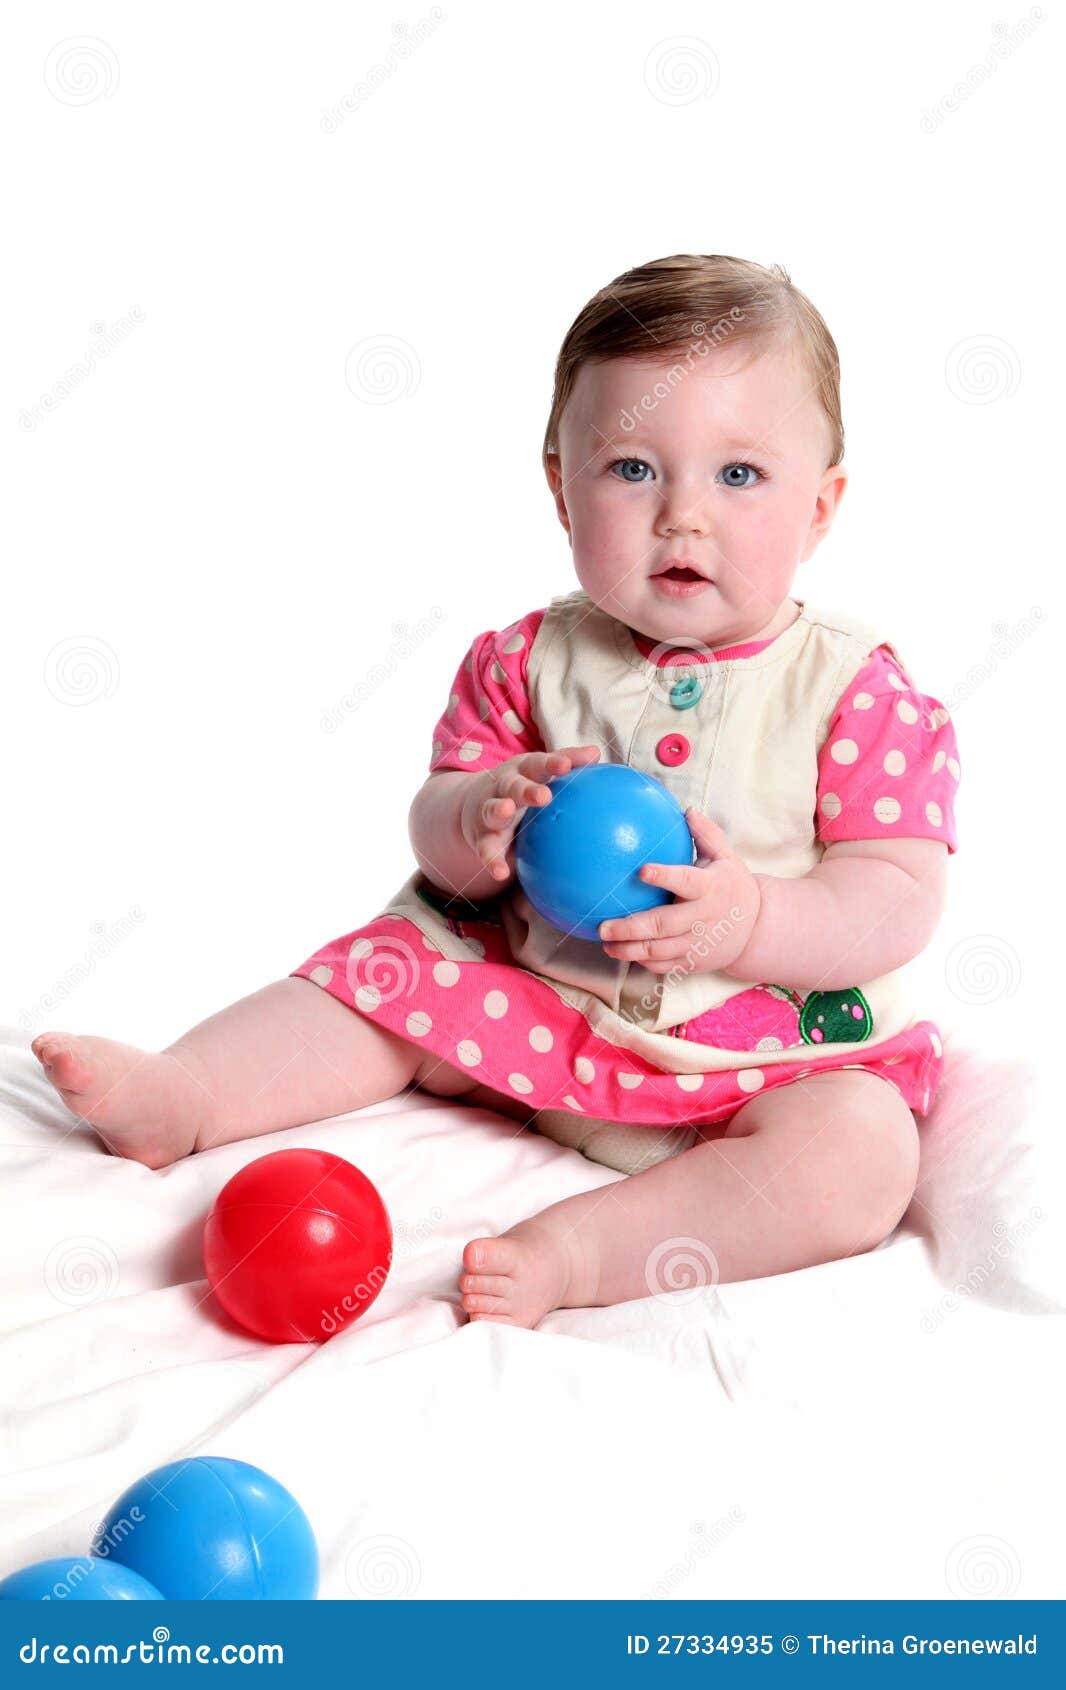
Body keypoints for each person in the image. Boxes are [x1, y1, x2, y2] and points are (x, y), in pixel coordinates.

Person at [32, 253, 960, 1329]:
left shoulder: (854, 689)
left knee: (861, 1154)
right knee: (384, 974)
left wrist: (751, 920)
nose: (681, 516)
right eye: (631, 469)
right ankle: (189, 1093)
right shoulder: (525, 658)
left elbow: (895, 894)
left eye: (738, 475)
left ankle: (580, 1252)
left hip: (753, 1058)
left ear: (821, 507)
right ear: (559, 486)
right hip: (528, 1002)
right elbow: (436, 829)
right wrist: (478, 818)